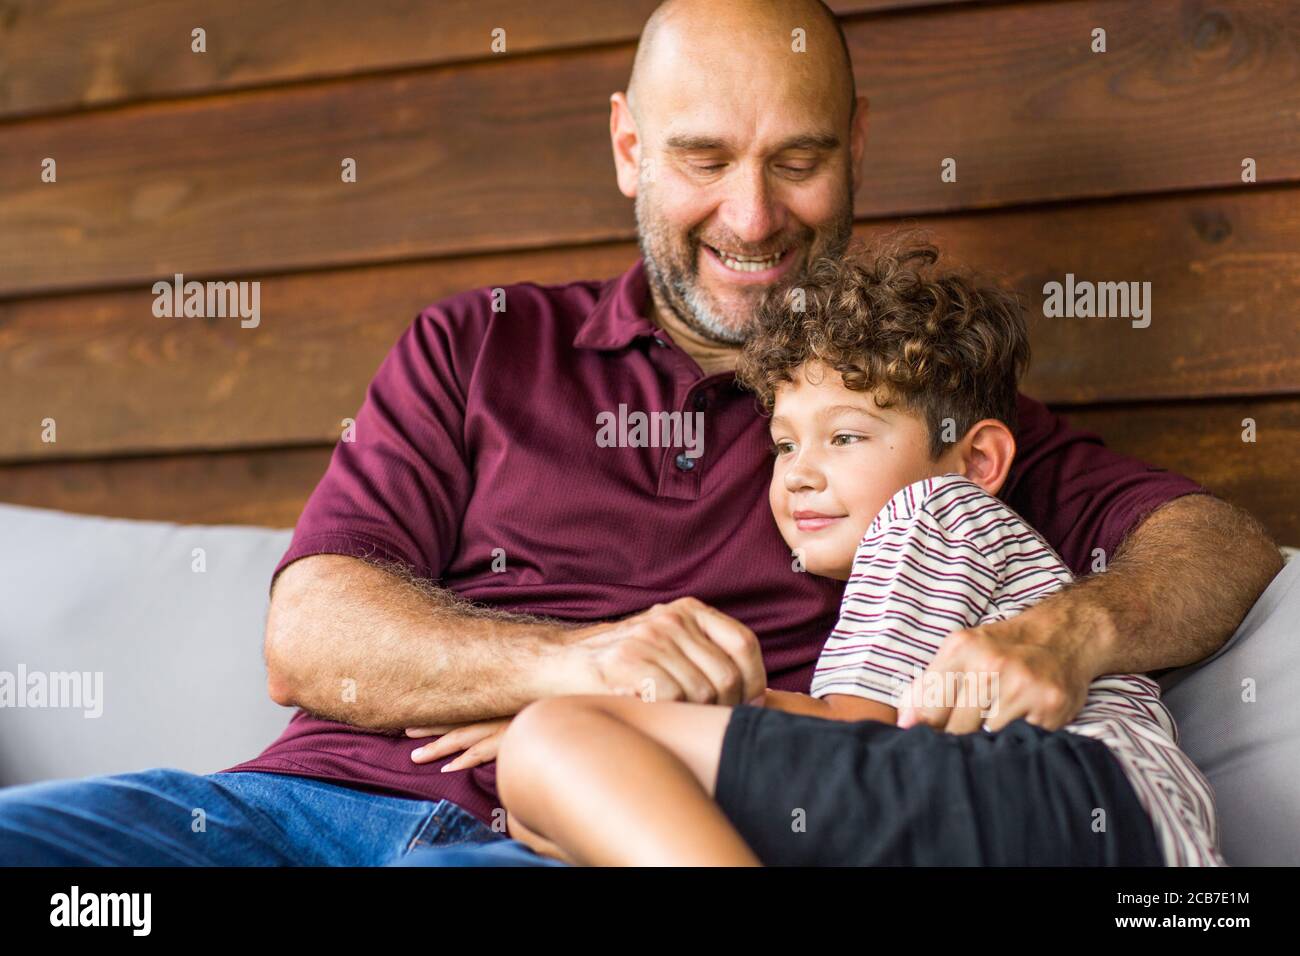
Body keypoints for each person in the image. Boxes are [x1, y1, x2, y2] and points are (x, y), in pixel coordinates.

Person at [0, 0, 1280, 867]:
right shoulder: (478, 343)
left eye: (798, 159)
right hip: (274, 814)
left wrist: (1074, 628)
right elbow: (310, 633)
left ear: (857, 151)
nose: (750, 214)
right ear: (627, 146)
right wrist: (587, 665)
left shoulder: (903, 407)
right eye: (702, 155)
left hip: (553, 844)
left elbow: (1215, 546)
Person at [477, 236, 1225, 866]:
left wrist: (607, 711)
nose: (800, 471)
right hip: (1094, 825)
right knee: (548, 815)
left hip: (1084, 796)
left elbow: (855, 726)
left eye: (845, 437)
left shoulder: (931, 512)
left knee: (556, 739)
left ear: (974, 461)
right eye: (784, 444)